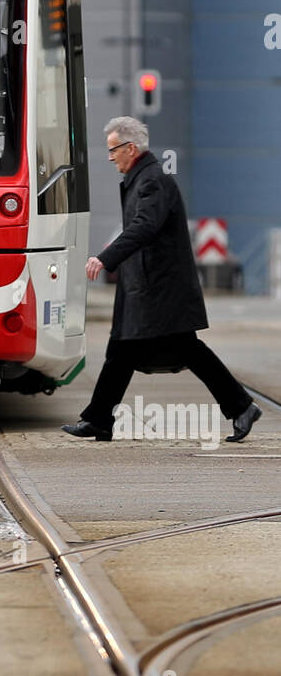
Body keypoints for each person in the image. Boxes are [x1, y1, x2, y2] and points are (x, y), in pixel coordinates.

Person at [62, 115, 261, 443]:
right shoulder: (143, 179)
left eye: (113, 150)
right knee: (122, 351)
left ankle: (241, 406)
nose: (110, 158)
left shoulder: (153, 181)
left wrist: (105, 258)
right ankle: (99, 418)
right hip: (146, 286)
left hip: (160, 289)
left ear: (131, 148)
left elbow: (144, 226)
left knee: (185, 349)